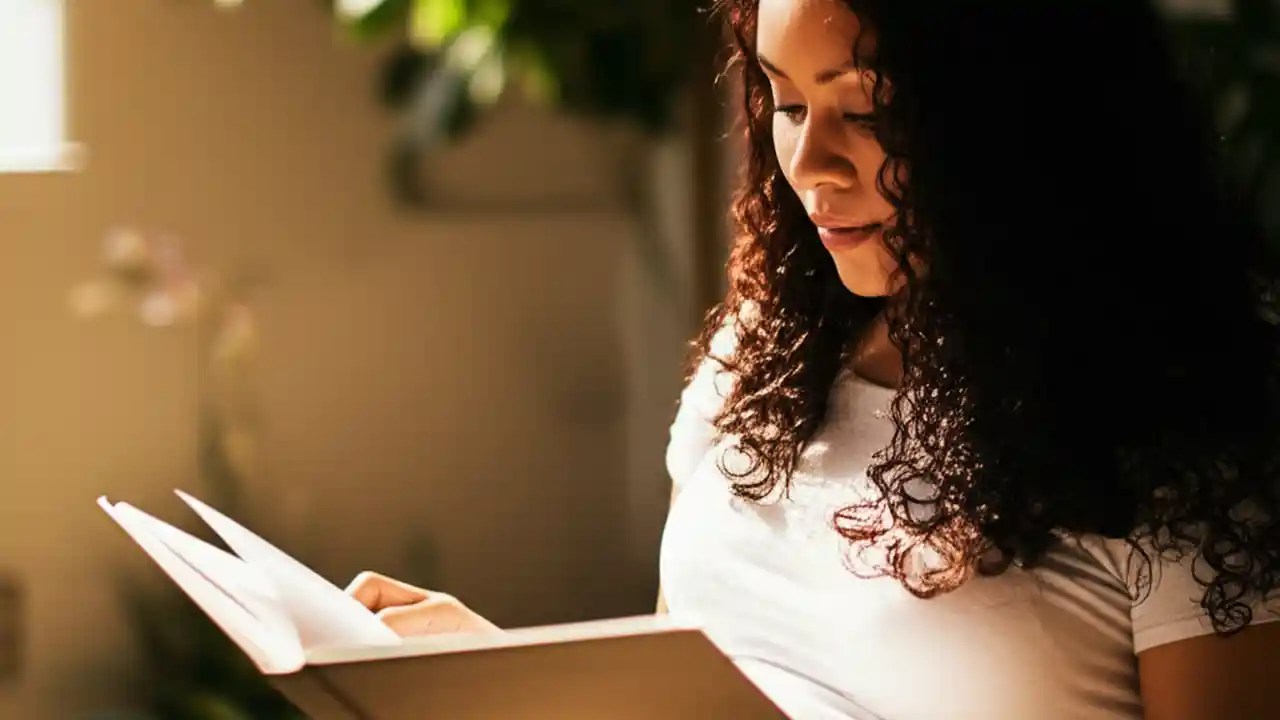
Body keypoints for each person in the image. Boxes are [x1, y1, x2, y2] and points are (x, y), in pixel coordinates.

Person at [345, 0, 1280, 717]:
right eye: (785, 101)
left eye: (866, 107)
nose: (810, 164)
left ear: (1025, 114)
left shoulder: (1183, 441)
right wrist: (506, 681)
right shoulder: (761, 361)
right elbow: (693, 682)